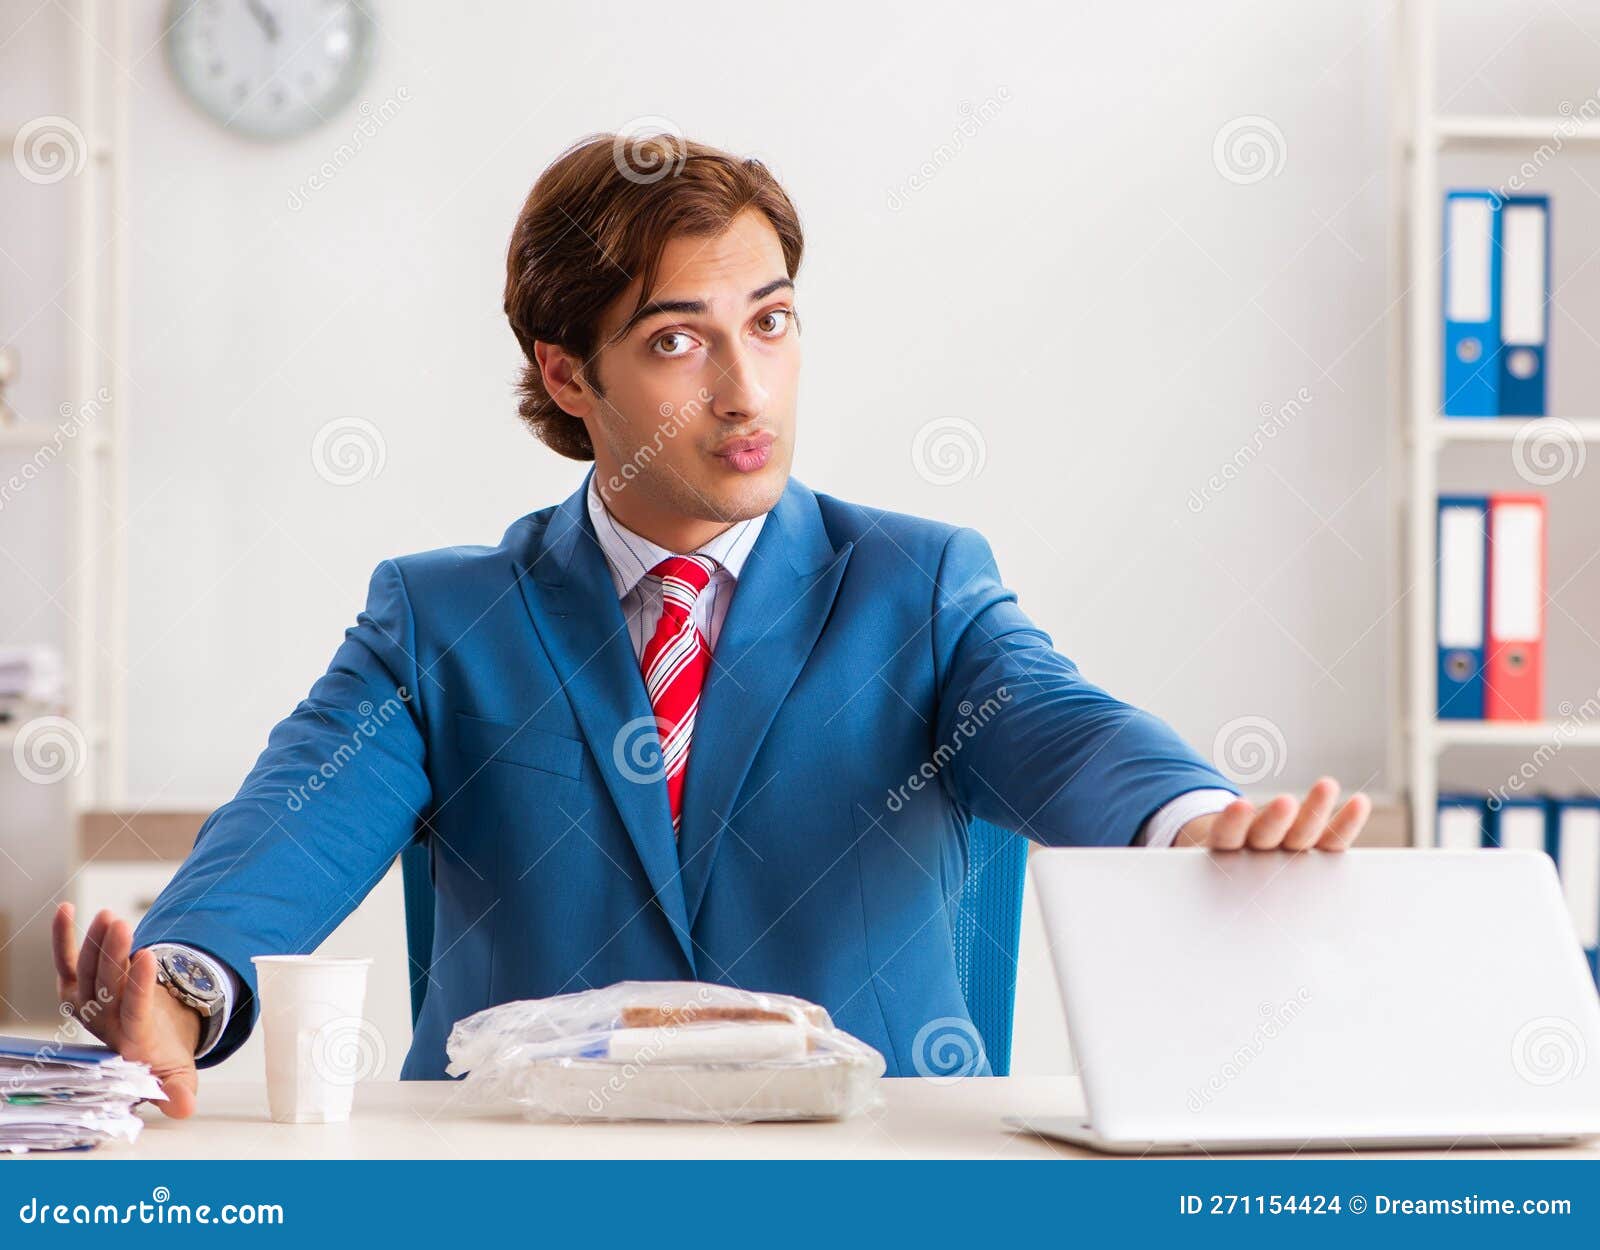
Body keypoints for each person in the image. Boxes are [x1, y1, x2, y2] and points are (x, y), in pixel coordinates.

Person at [52, 132, 1370, 1118]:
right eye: (681, 342)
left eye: (772, 322)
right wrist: (179, 986)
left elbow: (1062, 727)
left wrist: (1196, 824)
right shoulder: (444, 617)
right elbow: (289, 830)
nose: (750, 391)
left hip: (874, 1188)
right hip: (527, 1192)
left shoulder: (915, 586)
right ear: (569, 373)